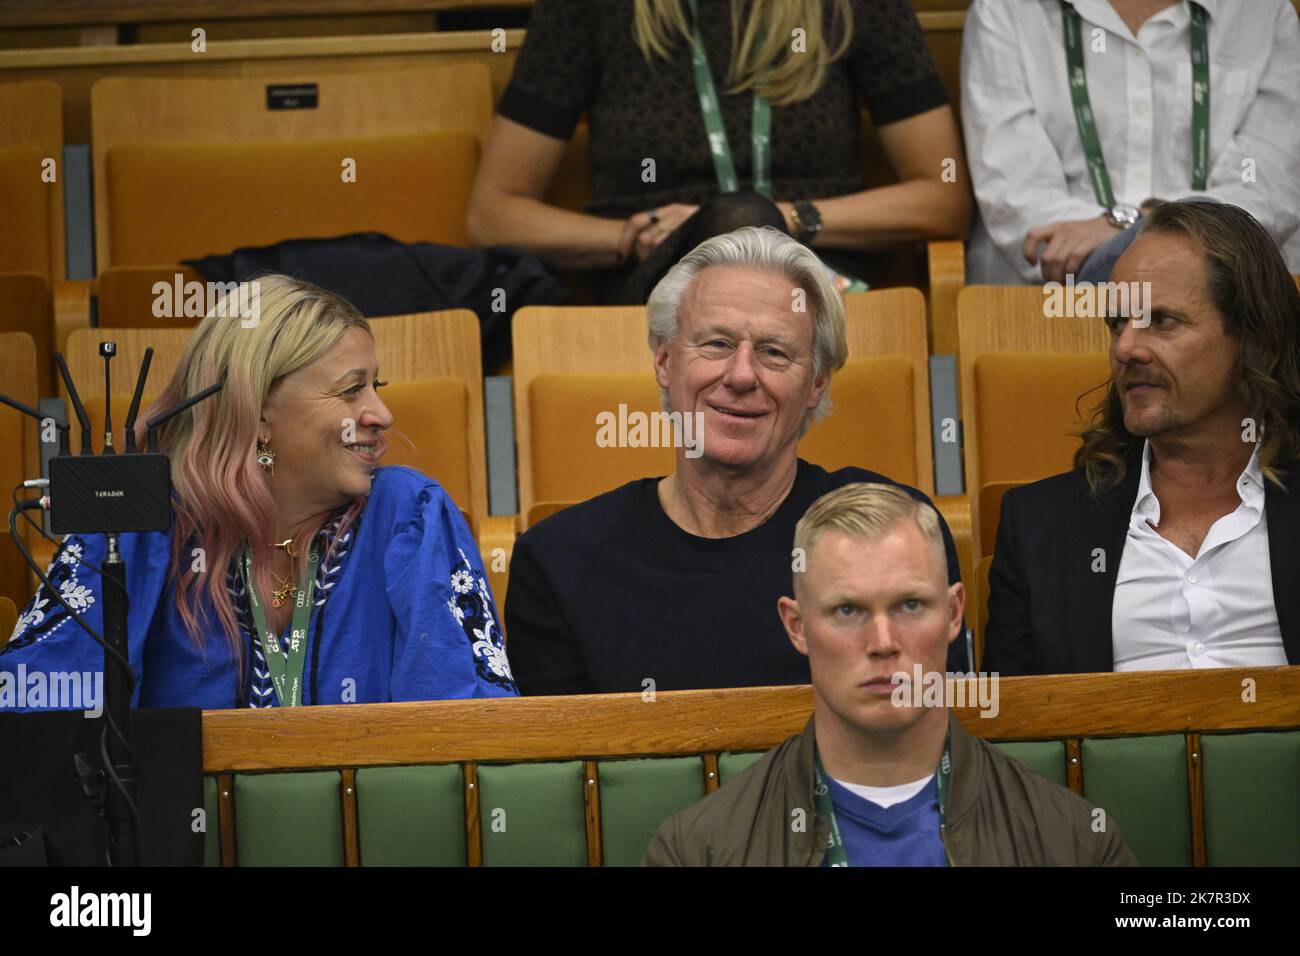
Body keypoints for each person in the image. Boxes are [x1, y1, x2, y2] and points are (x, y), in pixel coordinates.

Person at [1, 276, 516, 709]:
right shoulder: (135, 522)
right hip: (179, 830)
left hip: (374, 827)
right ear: (259, 410)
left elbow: (470, 729)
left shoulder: (409, 515)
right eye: (350, 389)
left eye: (376, 387)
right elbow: (37, 719)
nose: (382, 415)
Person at [505, 226, 967, 695]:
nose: (742, 375)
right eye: (717, 344)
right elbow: (562, 765)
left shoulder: (894, 533)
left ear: (817, 384)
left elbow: (929, 741)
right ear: (664, 360)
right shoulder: (559, 562)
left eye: (773, 352)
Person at [643, 482, 1135, 866]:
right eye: (847, 610)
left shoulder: (1073, 842)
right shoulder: (695, 852)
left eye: (909, 604)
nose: (882, 642)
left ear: (954, 612)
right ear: (796, 627)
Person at [467, 0, 971, 301]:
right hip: (660, 283)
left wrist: (786, 219)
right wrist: (629, 237)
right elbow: (494, 213)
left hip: (817, 276)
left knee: (741, 219)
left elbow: (943, 197)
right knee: (726, 234)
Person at [984, 200, 1300, 675]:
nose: (1125, 348)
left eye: (1162, 320)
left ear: (1251, 334)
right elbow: (1016, 738)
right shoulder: (1038, 530)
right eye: (1117, 324)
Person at [961, 0, 1300, 284]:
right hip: (1058, 303)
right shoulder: (1007, 9)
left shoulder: (1263, 12)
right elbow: (1019, 200)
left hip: (1225, 304)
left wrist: (1129, 224)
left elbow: (1267, 191)